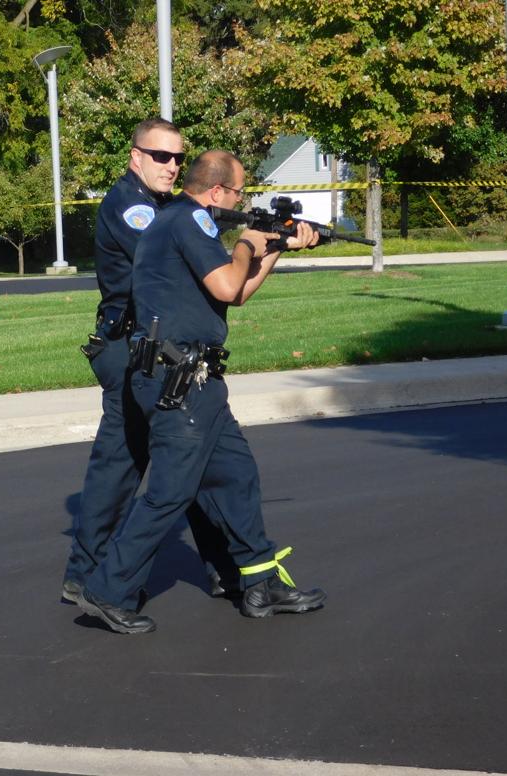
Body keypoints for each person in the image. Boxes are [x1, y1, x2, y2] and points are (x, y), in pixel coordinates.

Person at [76, 150, 327, 634]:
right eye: (238, 192)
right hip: (178, 380)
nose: (240, 200)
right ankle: (106, 590)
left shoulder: (179, 221)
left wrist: (275, 244)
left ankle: (259, 583)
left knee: (236, 475)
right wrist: (251, 242)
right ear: (217, 192)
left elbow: (239, 290)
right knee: (170, 493)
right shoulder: (189, 220)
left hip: (196, 379)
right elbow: (231, 283)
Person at [62, 118, 235, 606]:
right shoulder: (131, 206)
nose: (172, 166)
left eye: (179, 158)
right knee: (121, 463)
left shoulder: (162, 206)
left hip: (156, 350)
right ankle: (87, 573)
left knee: (188, 454)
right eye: (161, 156)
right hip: (128, 352)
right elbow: (170, 262)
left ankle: (227, 565)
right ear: (135, 156)